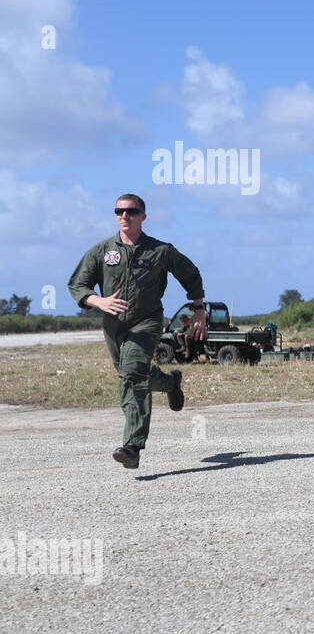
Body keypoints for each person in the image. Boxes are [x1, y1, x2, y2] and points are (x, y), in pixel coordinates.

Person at [67, 194, 208, 469]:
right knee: (132, 374)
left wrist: (199, 309)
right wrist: (100, 301)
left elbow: (190, 274)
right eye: (119, 211)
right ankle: (169, 383)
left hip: (147, 321)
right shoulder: (102, 251)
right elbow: (78, 285)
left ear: (143, 215)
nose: (124, 216)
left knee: (131, 372)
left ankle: (132, 446)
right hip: (113, 323)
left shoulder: (161, 251)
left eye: (131, 211)